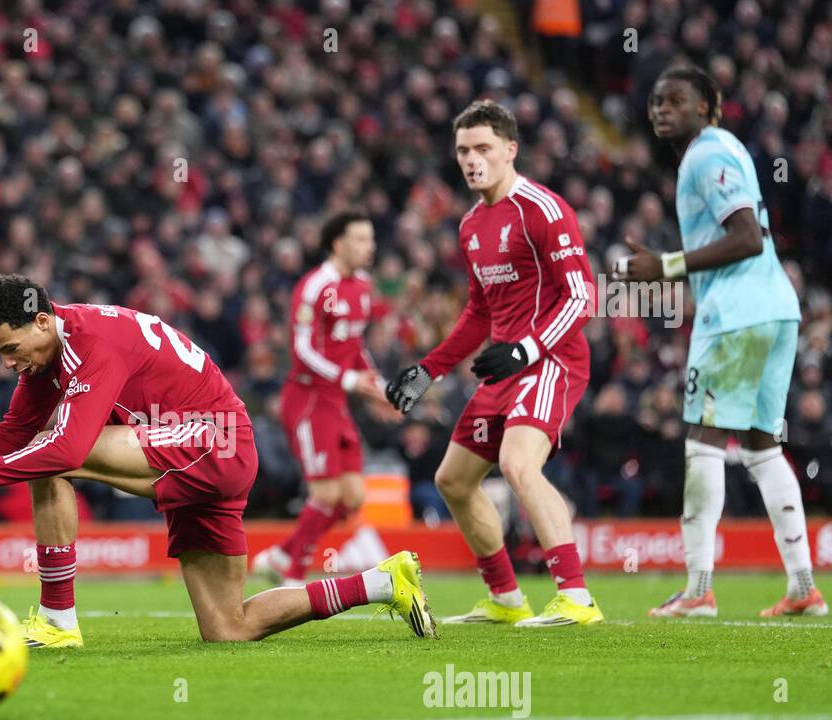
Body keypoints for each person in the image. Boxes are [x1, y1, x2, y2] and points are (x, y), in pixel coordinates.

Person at [0, 274, 436, 646]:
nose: (9, 362)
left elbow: (64, 448)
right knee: (228, 629)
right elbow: (16, 428)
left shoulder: (92, 343)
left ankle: (58, 620)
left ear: (41, 321)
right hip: (201, 453)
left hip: (216, 441)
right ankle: (384, 583)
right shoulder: (50, 352)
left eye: (11, 349)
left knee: (55, 457)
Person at [386, 100, 603, 627]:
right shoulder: (469, 226)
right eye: (462, 150)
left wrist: (526, 350)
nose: (471, 160)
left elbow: (582, 296)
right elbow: (479, 312)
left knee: (517, 465)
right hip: (503, 369)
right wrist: (429, 369)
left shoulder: (543, 211)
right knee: (453, 481)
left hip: (551, 359)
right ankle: (505, 598)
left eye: (483, 148)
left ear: (510, 150)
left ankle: (576, 597)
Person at [623, 65, 823, 618]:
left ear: (707, 106)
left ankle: (697, 590)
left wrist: (664, 265)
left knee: (703, 441)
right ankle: (803, 586)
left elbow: (745, 237)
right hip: (778, 310)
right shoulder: (725, 147)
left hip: (736, 317)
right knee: (762, 445)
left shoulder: (706, 154)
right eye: (657, 101)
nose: (662, 109)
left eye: (677, 100)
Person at [250, 211, 394, 586]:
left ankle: (282, 555)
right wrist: (349, 379)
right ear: (338, 244)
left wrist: (377, 387)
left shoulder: (362, 285)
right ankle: (294, 576)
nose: (370, 247)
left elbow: (355, 343)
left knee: (353, 497)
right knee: (326, 492)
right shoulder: (315, 287)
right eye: (361, 239)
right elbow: (302, 349)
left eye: (371, 238)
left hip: (337, 399)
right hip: (308, 398)